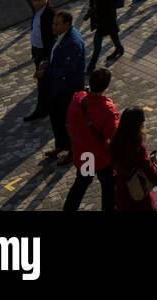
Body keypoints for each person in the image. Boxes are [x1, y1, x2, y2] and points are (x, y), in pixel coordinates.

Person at [64, 68, 119, 212]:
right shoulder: (108, 110)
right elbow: (114, 139)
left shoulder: (77, 99)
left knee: (80, 185)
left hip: (84, 155)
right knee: (108, 189)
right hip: (102, 159)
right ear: (106, 86)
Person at [43, 10, 86, 166]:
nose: (53, 26)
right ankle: (61, 144)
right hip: (59, 88)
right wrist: (48, 61)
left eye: (56, 24)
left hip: (69, 89)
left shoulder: (72, 43)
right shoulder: (63, 37)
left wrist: (47, 72)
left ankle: (73, 151)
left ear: (66, 25)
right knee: (56, 118)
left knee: (70, 122)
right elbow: (56, 54)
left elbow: (67, 69)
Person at [111, 108, 157, 211]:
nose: (144, 123)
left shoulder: (116, 140)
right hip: (138, 191)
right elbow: (148, 168)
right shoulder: (137, 145)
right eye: (142, 121)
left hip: (122, 192)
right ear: (137, 124)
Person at [22, 0, 55, 121]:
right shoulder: (37, 11)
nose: (35, 3)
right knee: (45, 82)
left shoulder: (50, 14)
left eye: (37, 0)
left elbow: (53, 39)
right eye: (33, 1)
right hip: (37, 51)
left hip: (44, 53)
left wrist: (47, 58)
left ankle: (41, 110)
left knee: (42, 83)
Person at [85, 0, 124, 70]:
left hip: (107, 14)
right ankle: (119, 48)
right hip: (99, 13)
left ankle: (91, 65)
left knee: (97, 40)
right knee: (113, 33)